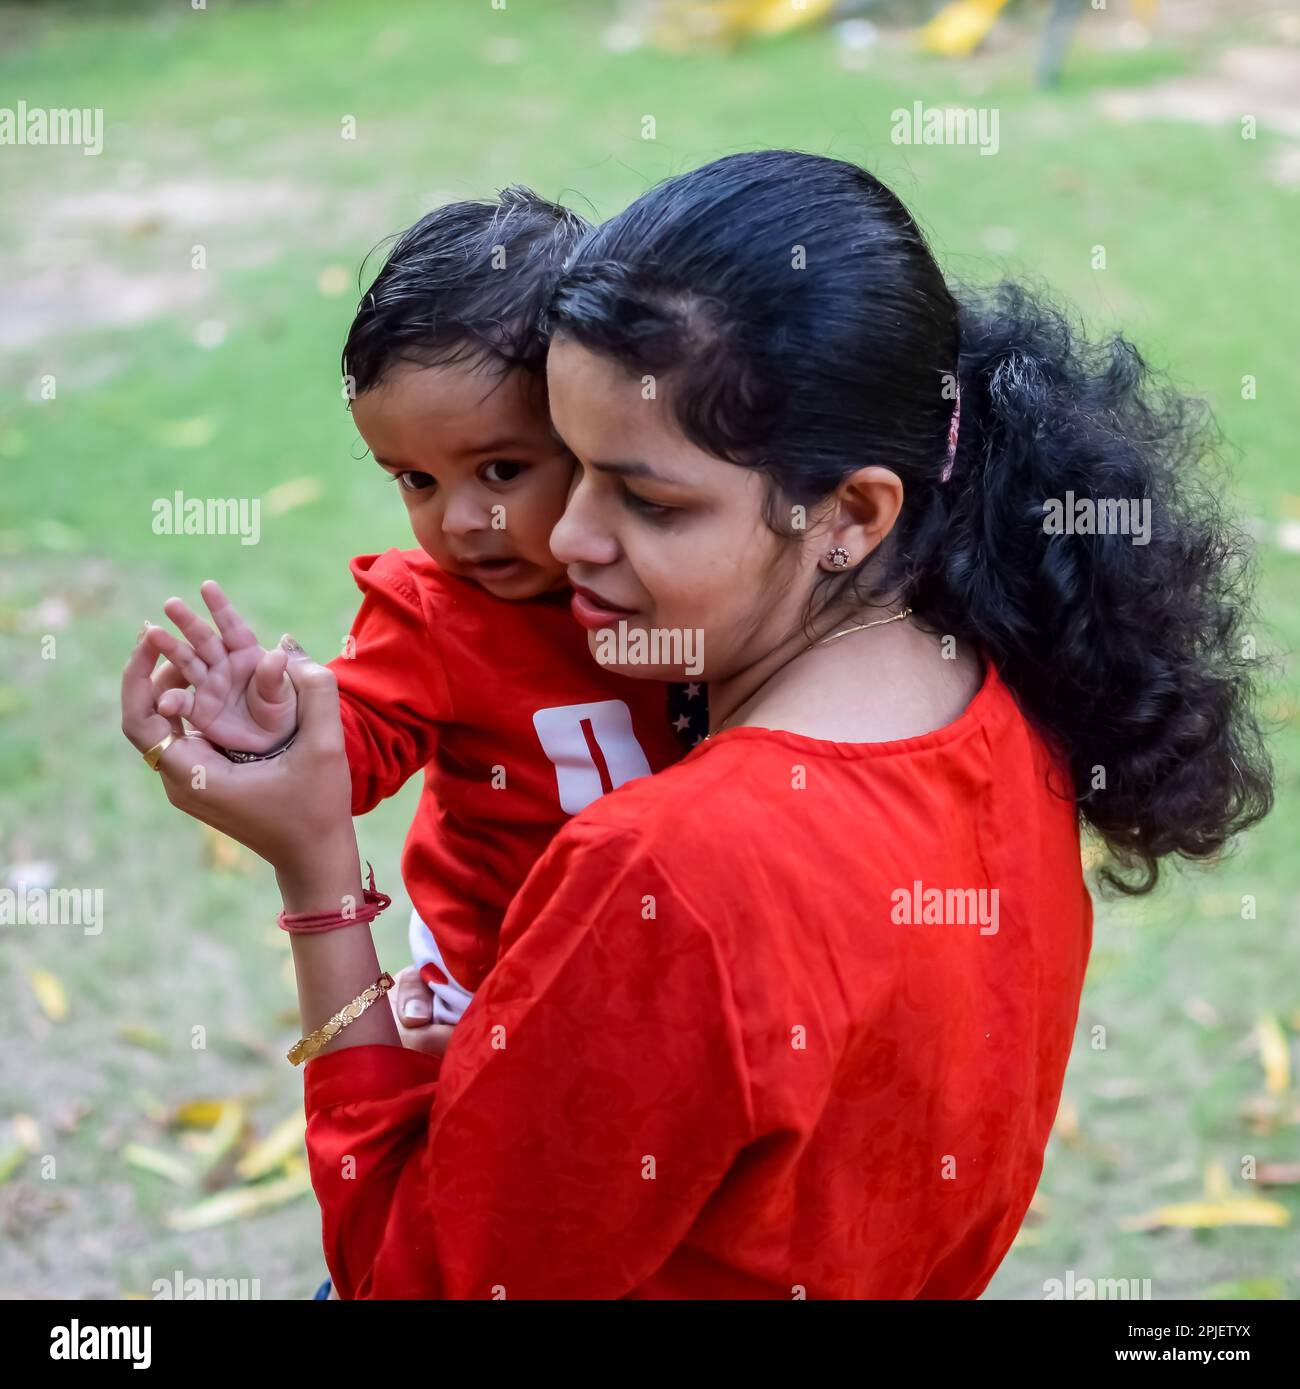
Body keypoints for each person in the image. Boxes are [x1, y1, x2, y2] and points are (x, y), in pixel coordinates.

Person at [122, 150, 1271, 1298]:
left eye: (649, 499)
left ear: (850, 512)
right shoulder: (1005, 701)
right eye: (570, 466)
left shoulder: (676, 867)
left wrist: (319, 871)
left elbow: (410, 1279)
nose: (563, 537)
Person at [136, 188, 688, 1044]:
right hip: (497, 973)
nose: (460, 520)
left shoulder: (686, 576)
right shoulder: (431, 610)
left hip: (673, 949)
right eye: (416, 481)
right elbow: (355, 746)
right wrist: (276, 727)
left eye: (502, 469)